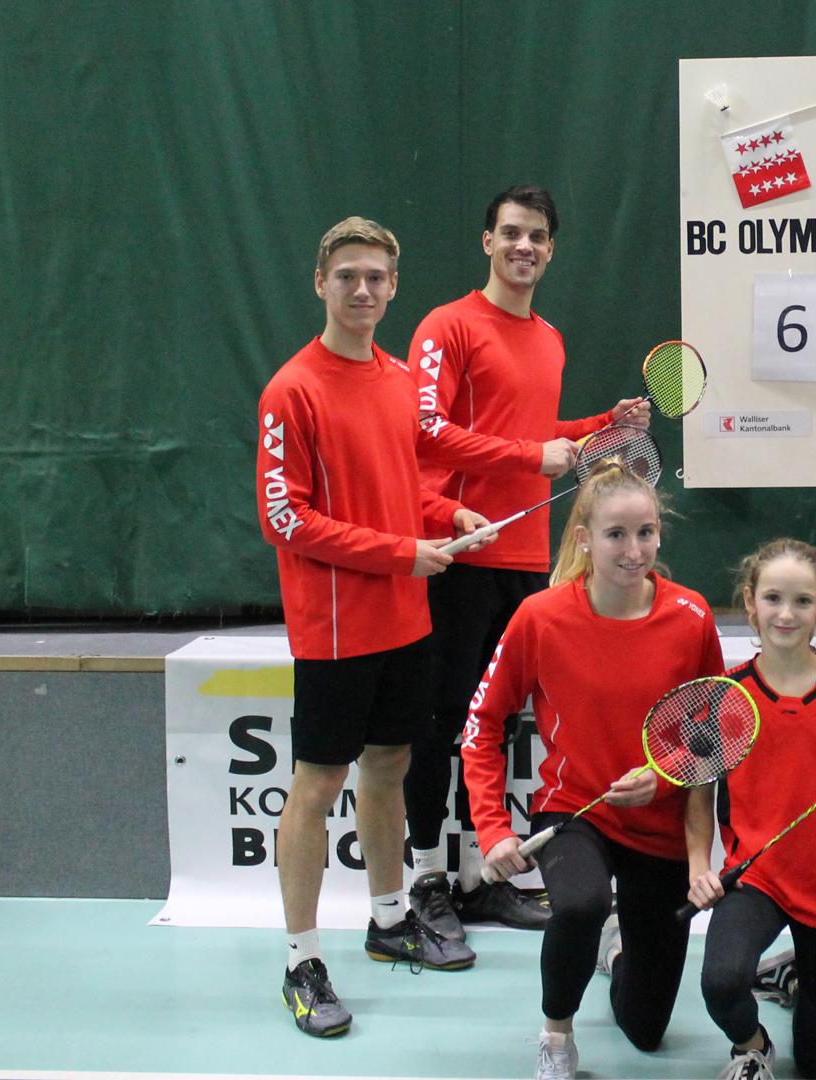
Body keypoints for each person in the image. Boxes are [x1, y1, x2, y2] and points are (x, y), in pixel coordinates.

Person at [257, 216, 486, 1038]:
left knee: (389, 764)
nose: (363, 290)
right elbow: (287, 519)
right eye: (348, 275)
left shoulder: (396, 380)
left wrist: (449, 510)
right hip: (335, 631)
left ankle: (391, 921)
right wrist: (401, 550)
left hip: (405, 619)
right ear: (320, 282)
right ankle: (300, 960)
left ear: (394, 288)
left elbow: (398, 490)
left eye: (378, 278)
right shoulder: (292, 389)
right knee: (318, 785)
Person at [404, 185, 650, 937]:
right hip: (458, 553)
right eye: (511, 233)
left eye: (538, 236)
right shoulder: (446, 327)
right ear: (487, 241)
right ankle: (425, 883)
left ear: (551, 249)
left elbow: (542, 439)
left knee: (503, 725)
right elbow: (424, 435)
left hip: (526, 564)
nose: (524, 247)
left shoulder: (548, 337)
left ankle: (484, 876)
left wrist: (605, 426)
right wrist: (529, 454)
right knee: (441, 723)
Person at [460, 460, 724, 1079]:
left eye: (646, 533)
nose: (634, 551)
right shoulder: (541, 617)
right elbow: (481, 725)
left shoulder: (691, 617)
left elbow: (714, 734)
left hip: (660, 824)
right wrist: (493, 829)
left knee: (647, 1029)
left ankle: (617, 952)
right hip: (576, 812)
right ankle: (556, 1039)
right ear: (584, 538)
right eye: (615, 535)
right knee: (577, 904)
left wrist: (666, 775)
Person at [685, 540, 816, 1080]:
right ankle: (754, 1044)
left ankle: (792, 975)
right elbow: (699, 791)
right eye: (772, 598)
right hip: (756, 882)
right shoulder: (727, 695)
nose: (785, 614)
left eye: (801, 601)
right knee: (720, 984)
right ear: (750, 602)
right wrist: (700, 865)